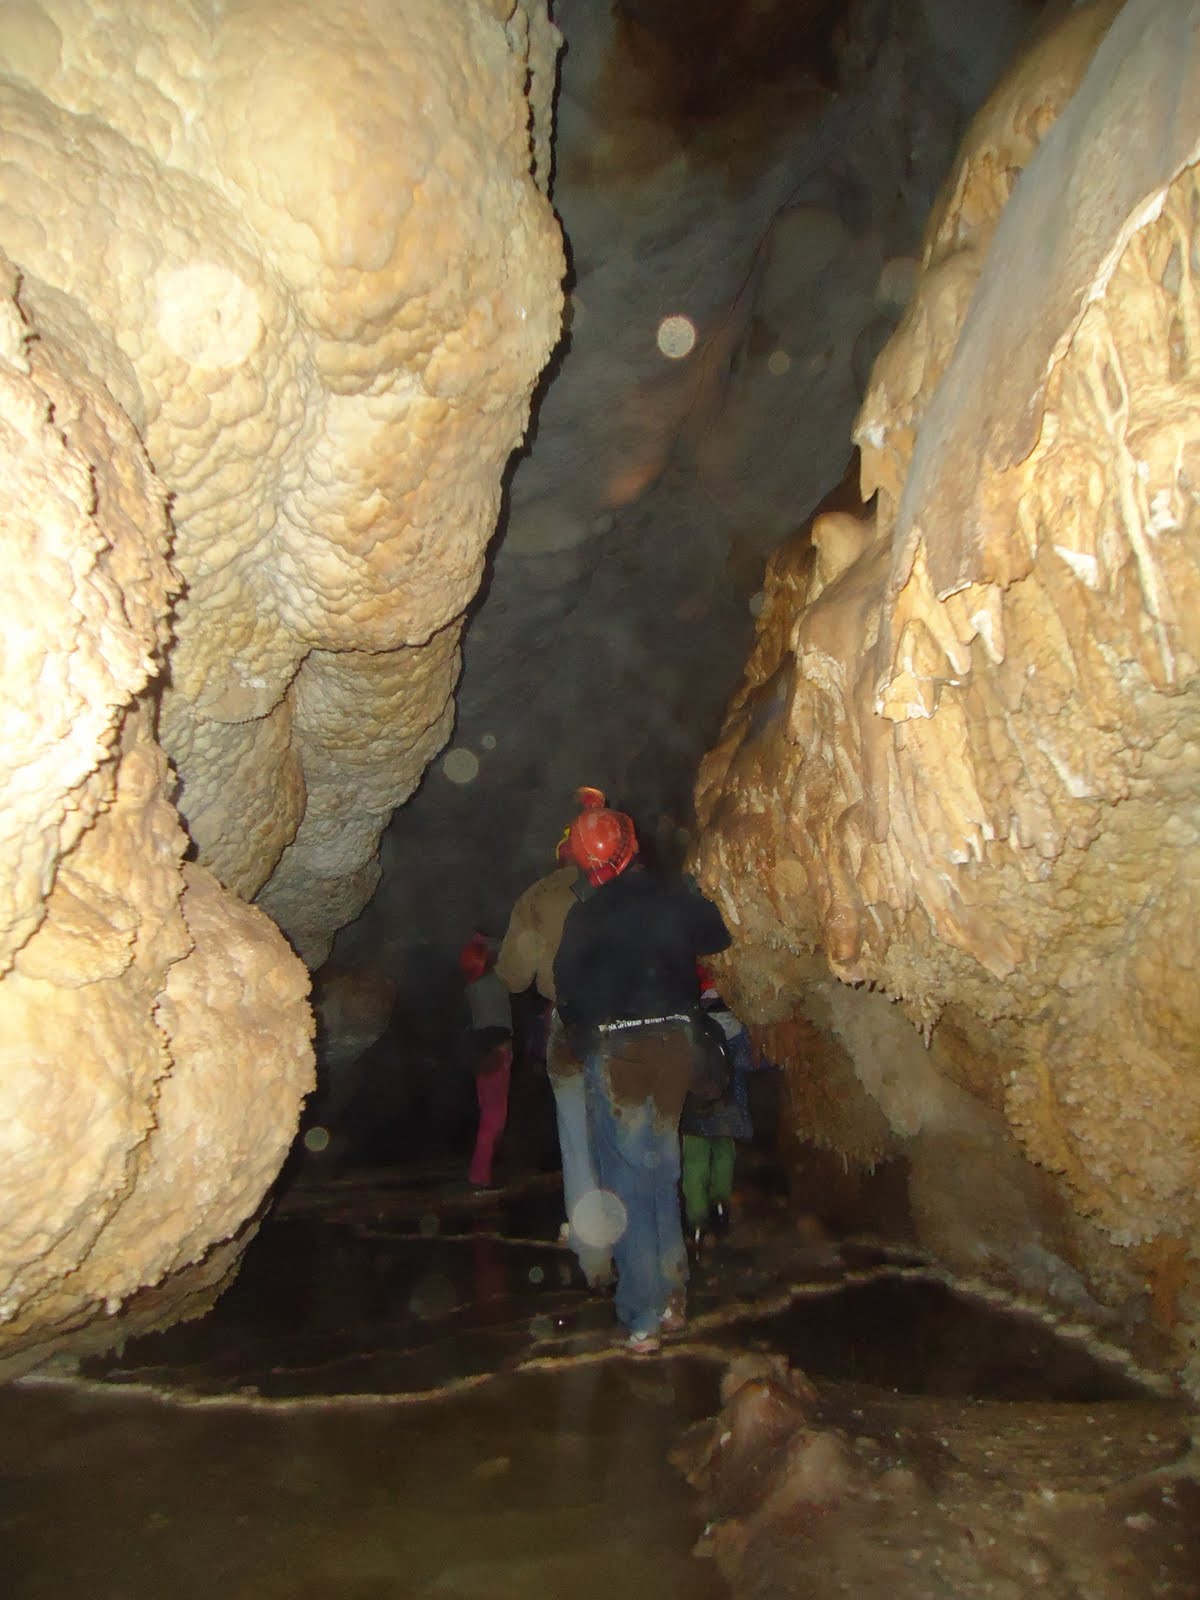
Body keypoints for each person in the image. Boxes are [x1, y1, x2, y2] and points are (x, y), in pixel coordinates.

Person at [553, 801, 731, 1355]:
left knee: (628, 1180)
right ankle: (672, 1294)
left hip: (620, 1050)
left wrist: (589, 1044)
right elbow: (717, 934)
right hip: (675, 1042)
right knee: (663, 1164)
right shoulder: (668, 895)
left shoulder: (584, 916)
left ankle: (641, 1317)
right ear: (631, 844)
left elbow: (569, 992)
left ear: (586, 864)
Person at [495, 790, 614, 1289]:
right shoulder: (618, 887)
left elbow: (513, 975)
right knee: (625, 1129)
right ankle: (640, 1244)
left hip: (568, 1021)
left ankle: (594, 1256)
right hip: (622, 1020)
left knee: (577, 1137)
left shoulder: (540, 895)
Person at [680, 965, 758, 1253]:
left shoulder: (688, 1025)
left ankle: (697, 1221)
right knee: (724, 1147)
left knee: (696, 1154)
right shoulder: (737, 1026)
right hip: (727, 1094)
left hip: (697, 1091)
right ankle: (721, 1209)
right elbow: (752, 1062)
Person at [459, 931, 513, 1192]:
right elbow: (506, 950)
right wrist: (483, 941)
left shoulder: (474, 986)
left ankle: (482, 1173)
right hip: (496, 1051)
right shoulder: (495, 982)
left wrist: (478, 942)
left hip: (483, 1050)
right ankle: (480, 1176)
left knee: (490, 1117)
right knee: (494, 1119)